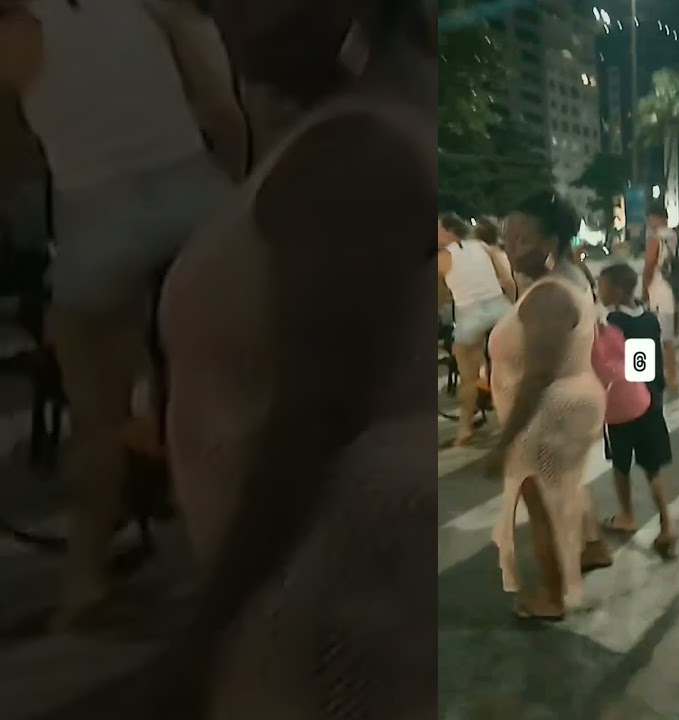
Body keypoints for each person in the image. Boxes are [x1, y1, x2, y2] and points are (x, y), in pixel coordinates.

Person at [150, 1, 439, 717]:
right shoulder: (351, 131)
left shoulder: (352, 155)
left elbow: (313, 417)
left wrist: (209, 626)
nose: (227, 17)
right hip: (329, 580)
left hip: (320, 599)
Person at [0, 0, 245, 628]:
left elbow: (12, 157)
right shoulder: (149, 5)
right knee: (222, 396)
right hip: (196, 199)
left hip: (98, 217)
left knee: (95, 418)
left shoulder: (20, 33)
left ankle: (86, 582)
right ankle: (225, 563)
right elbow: (220, 105)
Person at [487, 191, 613, 621]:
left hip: (547, 411)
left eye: (522, 239)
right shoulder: (561, 282)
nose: (511, 247)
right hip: (568, 403)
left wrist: (505, 441)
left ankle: (553, 597)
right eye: (507, 237)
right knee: (560, 496)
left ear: (552, 243)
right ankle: (585, 556)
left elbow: (538, 375)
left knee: (542, 508)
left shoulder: (548, 297)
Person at [596, 263, 678, 558]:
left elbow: (627, 370)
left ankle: (627, 515)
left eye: (602, 285)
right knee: (652, 467)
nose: (598, 289)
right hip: (651, 403)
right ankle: (667, 523)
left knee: (621, 464)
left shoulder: (615, 322)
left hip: (623, 405)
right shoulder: (648, 319)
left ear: (617, 290)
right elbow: (645, 366)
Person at [438, 211, 514, 444]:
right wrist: (512, 307)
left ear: (449, 231)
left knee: (467, 377)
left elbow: (441, 295)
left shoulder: (442, 258)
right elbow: (508, 280)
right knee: (506, 373)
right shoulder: (485, 248)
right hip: (499, 311)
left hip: (469, 316)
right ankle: (508, 426)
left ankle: (465, 429)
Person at [641, 202, 679, 391]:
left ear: (657, 218)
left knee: (649, 336)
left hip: (657, 292)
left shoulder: (656, 239)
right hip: (671, 292)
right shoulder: (673, 237)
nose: (649, 222)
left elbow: (649, 267)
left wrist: (643, 291)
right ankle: (672, 378)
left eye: (650, 218)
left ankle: (648, 377)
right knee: (667, 339)